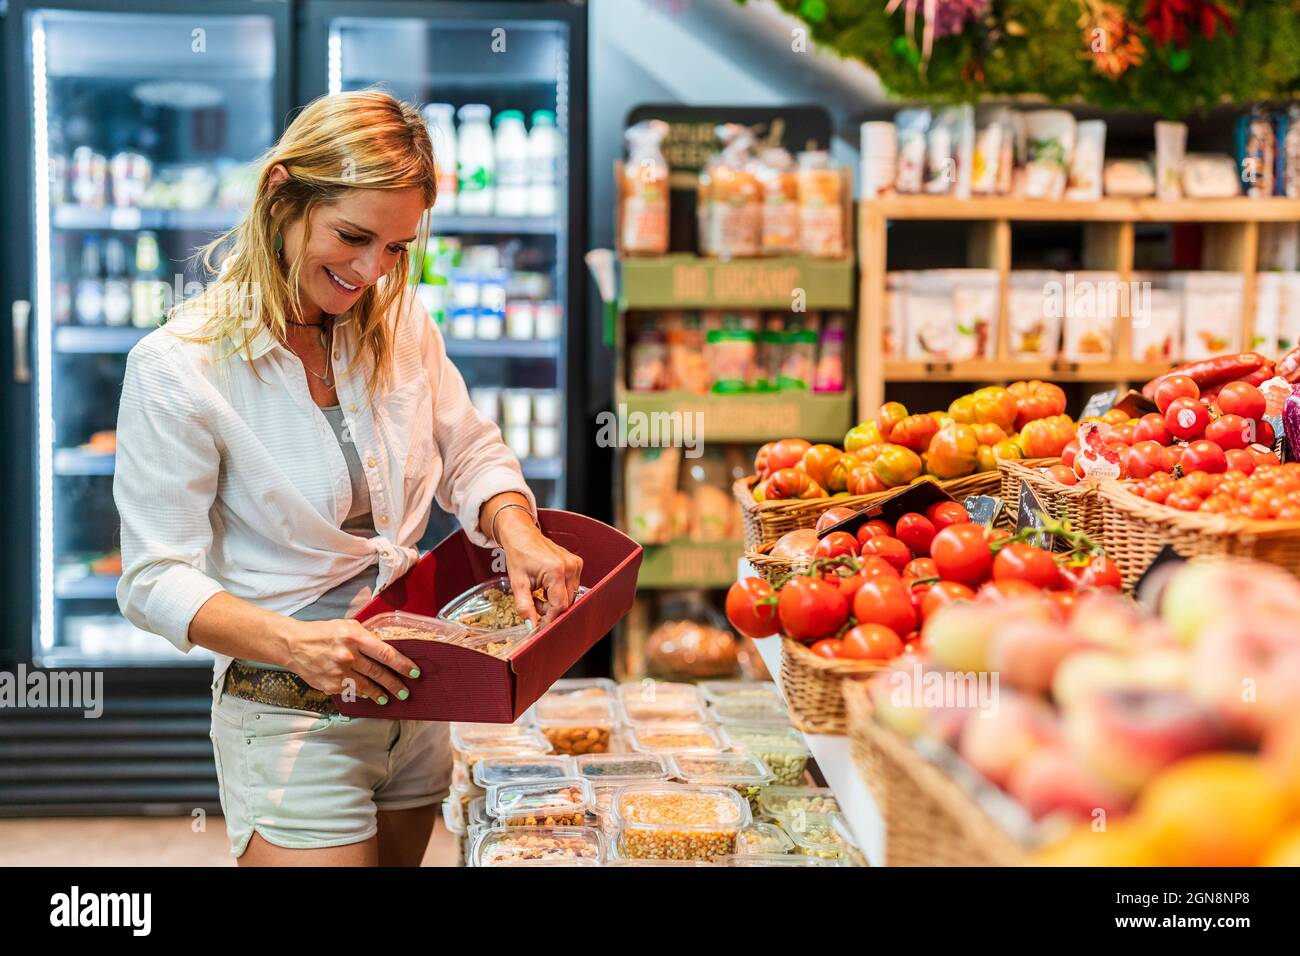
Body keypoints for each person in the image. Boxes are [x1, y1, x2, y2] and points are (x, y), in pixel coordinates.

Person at [114, 90, 582, 866]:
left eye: (397, 248)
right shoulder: (178, 367)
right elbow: (153, 577)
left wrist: (516, 526)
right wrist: (296, 643)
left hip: (420, 696)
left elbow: (469, 451)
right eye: (353, 236)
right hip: (290, 715)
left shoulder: (401, 324)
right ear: (281, 198)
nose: (372, 271)